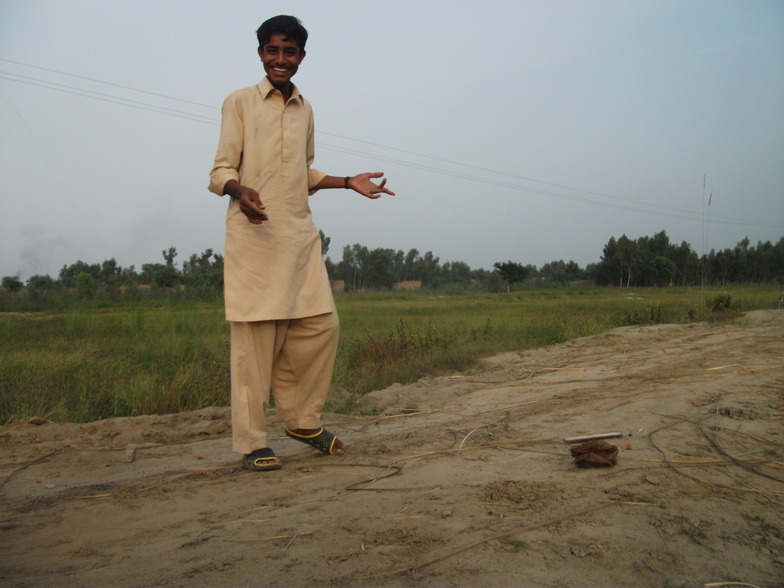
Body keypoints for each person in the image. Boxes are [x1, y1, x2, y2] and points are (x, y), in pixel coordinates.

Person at [208, 15, 394, 471]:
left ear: (301, 57)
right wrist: (239, 191)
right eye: (272, 51)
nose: (280, 59)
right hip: (254, 236)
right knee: (255, 345)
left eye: (289, 52)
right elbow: (219, 171)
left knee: (319, 327)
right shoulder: (238, 102)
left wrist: (349, 181)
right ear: (260, 54)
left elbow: (302, 174)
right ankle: (252, 443)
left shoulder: (305, 109)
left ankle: (301, 420)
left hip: (298, 234)